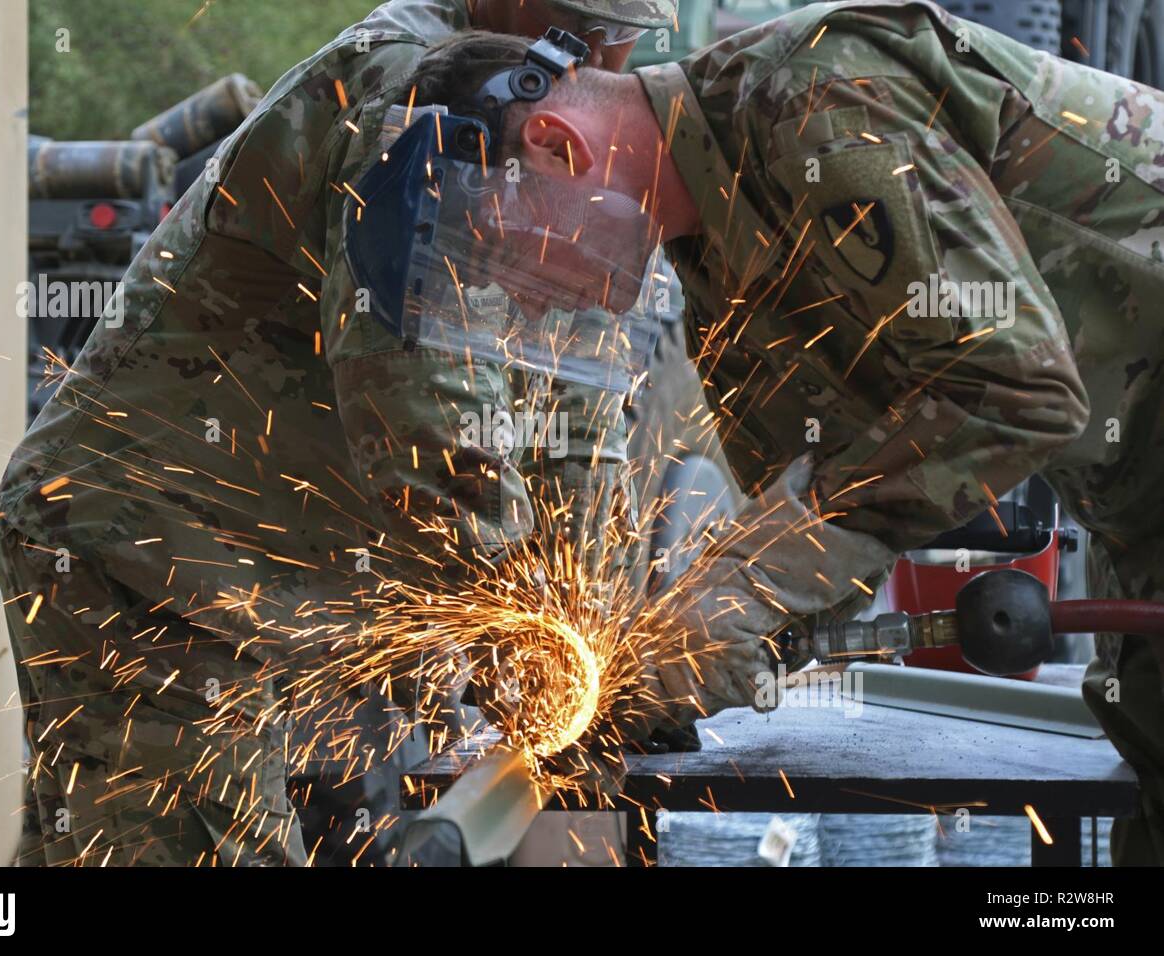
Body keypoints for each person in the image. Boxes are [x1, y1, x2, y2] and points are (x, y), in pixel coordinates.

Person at [384, 0, 1164, 865]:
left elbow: (1016, 389)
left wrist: (740, 590)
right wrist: (654, 672)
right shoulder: (718, 270)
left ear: (559, 148)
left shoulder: (813, 97)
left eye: (504, 251)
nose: (526, 297)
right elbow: (829, 527)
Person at [0, 0, 676, 867]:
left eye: (633, 36)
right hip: (144, 551)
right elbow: (421, 415)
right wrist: (529, 642)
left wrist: (597, 628)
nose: (614, 57)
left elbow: (568, 407)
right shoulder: (421, 104)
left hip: (238, 567)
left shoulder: (535, 128)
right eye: (594, 25)